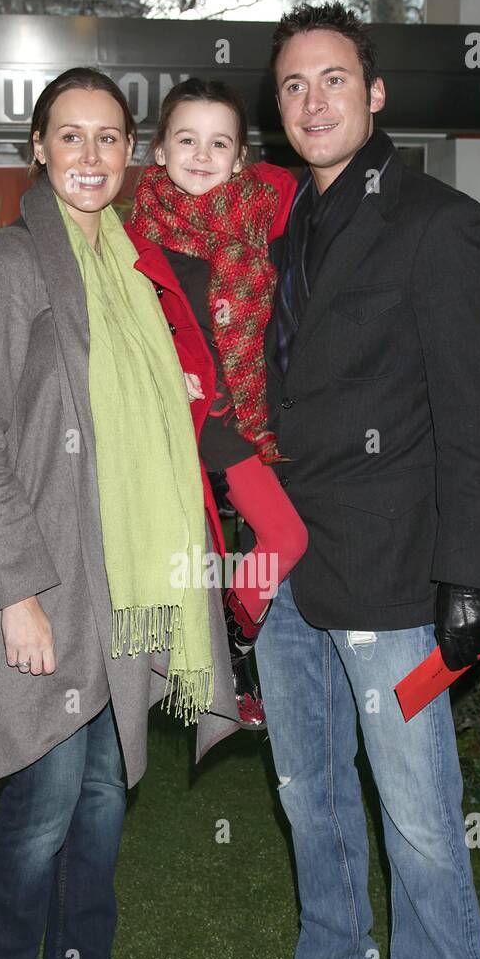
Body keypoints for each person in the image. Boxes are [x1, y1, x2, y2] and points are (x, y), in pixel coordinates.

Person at [227, 4, 480, 959]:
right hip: (292, 563)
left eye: (332, 80)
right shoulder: (288, 218)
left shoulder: (437, 224)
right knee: (306, 790)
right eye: (292, 86)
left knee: (421, 823)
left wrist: (469, 571)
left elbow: (473, 410)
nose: (311, 103)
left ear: (375, 93)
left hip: (395, 574)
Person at [0, 67, 240, 959]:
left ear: (129, 155)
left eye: (108, 138)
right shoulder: (5, 265)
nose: (87, 156)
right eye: (67, 136)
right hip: (46, 587)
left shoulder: (132, 271)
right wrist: (17, 592)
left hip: (123, 591)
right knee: (42, 809)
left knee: (106, 804)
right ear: (35, 148)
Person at [124, 78, 308, 727]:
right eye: (186, 139)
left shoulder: (262, 208)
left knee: (284, 537)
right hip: (169, 430)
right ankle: (194, 676)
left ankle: (234, 638)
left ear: (239, 157)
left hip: (241, 422)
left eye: (218, 142)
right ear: (158, 150)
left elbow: (294, 179)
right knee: (174, 562)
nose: (201, 155)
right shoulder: (133, 238)